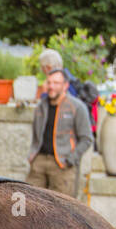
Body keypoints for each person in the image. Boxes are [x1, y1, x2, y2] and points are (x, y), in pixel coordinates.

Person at [26, 68, 93, 196]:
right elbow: (36, 134)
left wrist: (71, 159)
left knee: (61, 210)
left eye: (56, 83)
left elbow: (87, 139)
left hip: (62, 164)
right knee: (30, 204)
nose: (51, 86)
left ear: (65, 85)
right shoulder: (41, 106)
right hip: (39, 162)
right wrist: (32, 156)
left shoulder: (77, 107)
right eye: (49, 82)